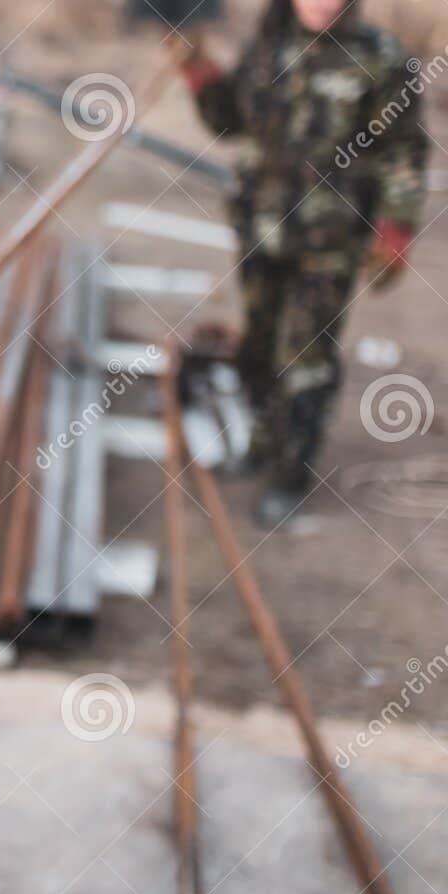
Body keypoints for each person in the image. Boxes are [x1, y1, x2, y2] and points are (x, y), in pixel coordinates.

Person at [170, 0, 427, 525]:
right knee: (259, 344)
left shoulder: (381, 58)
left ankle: (292, 471)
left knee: (306, 357)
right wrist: (198, 69)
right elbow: (230, 123)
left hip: (330, 238)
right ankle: (261, 444)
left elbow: (404, 152)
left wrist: (396, 230)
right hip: (262, 230)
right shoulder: (268, 46)